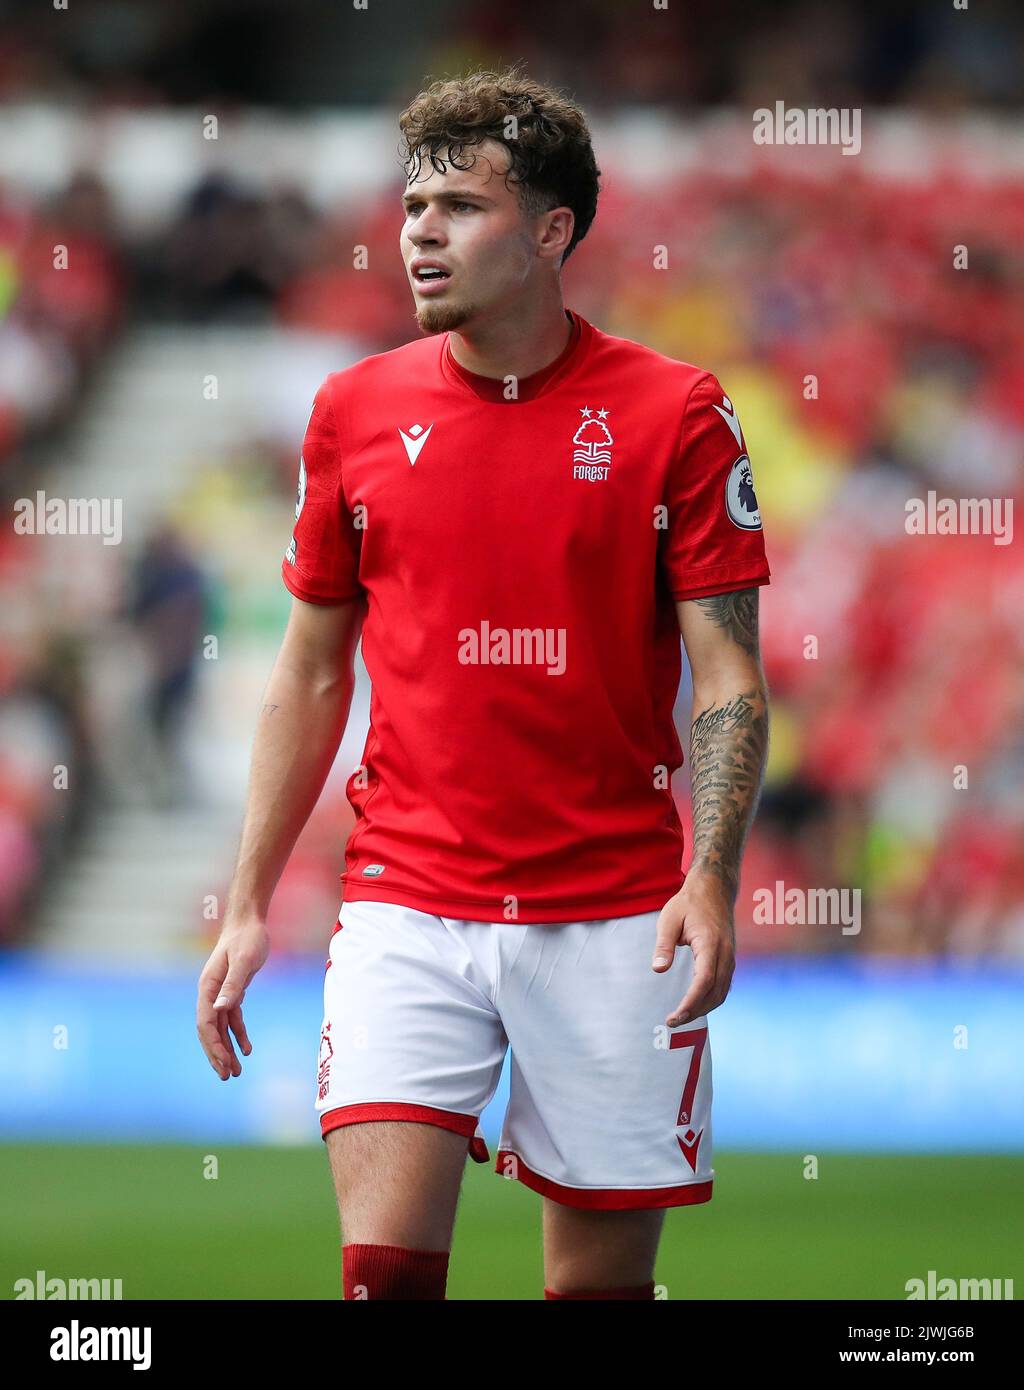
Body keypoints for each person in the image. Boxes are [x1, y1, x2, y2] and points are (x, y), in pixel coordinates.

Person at [196, 66, 771, 1301]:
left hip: (617, 914)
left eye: (457, 205)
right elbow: (307, 673)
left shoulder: (679, 415)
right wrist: (245, 900)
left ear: (551, 231)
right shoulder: (350, 411)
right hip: (408, 903)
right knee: (382, 1279)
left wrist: (711, 875)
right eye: (412, 205)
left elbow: (728, 676)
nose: (418, 231)